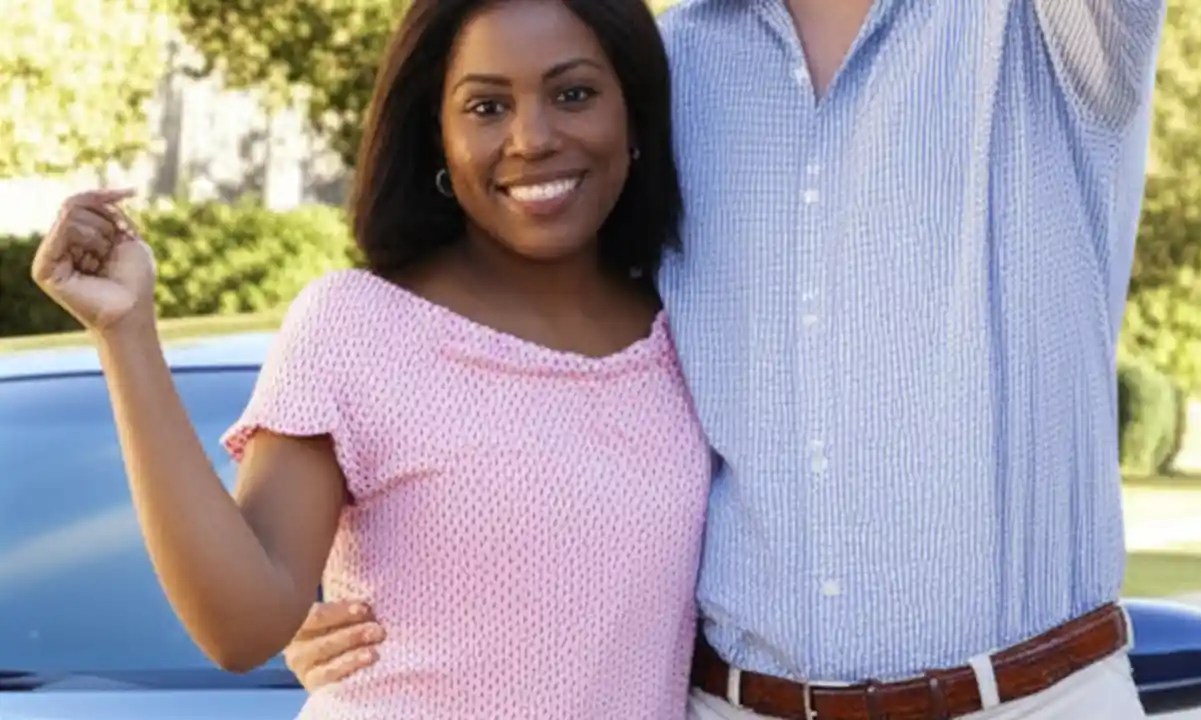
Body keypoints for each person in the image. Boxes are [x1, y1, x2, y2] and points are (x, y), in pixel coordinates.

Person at [288, 0, 1169, 718]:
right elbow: (564, 383)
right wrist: (359, 596)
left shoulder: (1051, 34)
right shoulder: (663, 67)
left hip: (1032, 699)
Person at [30, 0, 712, 717]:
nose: (532, 138)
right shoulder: (356, 325)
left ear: (634, 112)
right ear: (437, 136)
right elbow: (239, 627)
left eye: (574, 94)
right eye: (485, 106)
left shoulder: (688, 327)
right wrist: (126, 332)